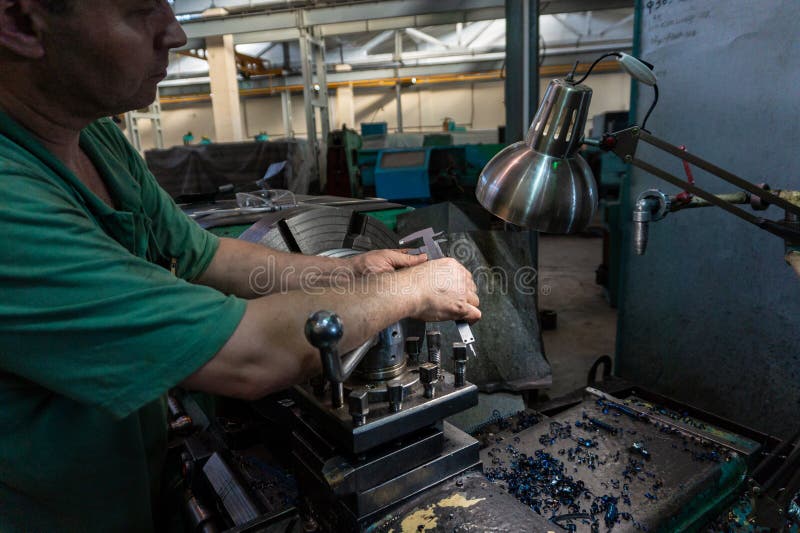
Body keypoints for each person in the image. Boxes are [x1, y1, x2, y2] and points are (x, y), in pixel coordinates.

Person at [0, 1, 480, 531]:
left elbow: (205, 254)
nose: (177, 33)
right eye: (140, 12)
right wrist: (412, 291)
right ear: (21, 23)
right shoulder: (10, 204)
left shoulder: (94, 138)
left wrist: (345, 273)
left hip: (134, 477)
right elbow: (250, 355)